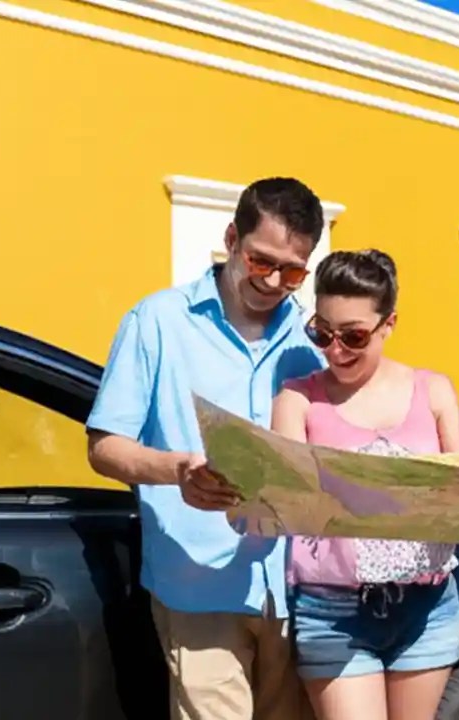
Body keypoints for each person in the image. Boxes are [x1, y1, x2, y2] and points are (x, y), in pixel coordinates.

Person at [85, 177, 328, 720]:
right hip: (198, 584)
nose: (272, 282)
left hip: (295, 591)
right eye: (262, 261)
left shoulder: (310, 344)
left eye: (292, 272)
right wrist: (178, 470)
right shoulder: (157, 321)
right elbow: (104, 446)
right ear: (231, 237)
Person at [270, 249, 459, 720]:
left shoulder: (433, 391)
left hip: (426, 605)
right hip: (333, 610)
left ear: (388, 325)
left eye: (353, 336)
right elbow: (285, 502)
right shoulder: (297, 398)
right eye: (322, 333)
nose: (335, 350)